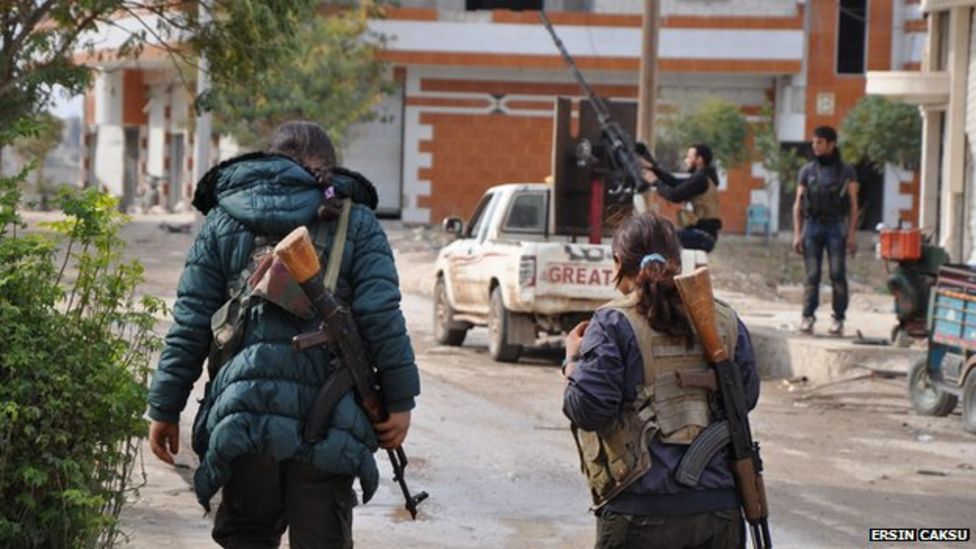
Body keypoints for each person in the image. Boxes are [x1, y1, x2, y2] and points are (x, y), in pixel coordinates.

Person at [146, 120, 420, 548]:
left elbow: (191, 322)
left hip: (242, 416)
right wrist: (400, 402)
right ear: (329, 167)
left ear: (269, 160)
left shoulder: (221, 222)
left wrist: (165, 407)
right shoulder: (357, 223)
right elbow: (382, 317)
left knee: (247, 537)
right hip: (330, 420)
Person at [562, 212, 759, 549]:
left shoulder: (612, 323)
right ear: (677, 262)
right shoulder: (725, 319)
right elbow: (747, 397)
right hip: (719, 511)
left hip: (640, 509)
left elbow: (588, 410)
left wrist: (572, 361)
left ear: (618, 262)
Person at [792, 125, 860, 336]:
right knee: (812, 275)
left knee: (837, 274)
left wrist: (851, 235)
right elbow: (798, 204)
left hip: (835, 227)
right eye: (814, 142)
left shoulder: (846, 172)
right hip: (812, 227)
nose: (815, 146)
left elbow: (853, 206)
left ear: (831, 144)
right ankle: (807, 317)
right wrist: (797, 233)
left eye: (820, 142)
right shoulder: (808, 171)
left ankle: (838, 319)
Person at [640, 144, 722, 252]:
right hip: (702, 235)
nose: (685, 160)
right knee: (661, 237)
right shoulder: (703, 177)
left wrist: (655, 181)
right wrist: (654, 169)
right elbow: (675, 183)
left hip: (702, 236)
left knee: (658, 239)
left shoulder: (700, 179)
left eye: (689, 157)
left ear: (699, 160)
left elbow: (674, 195)